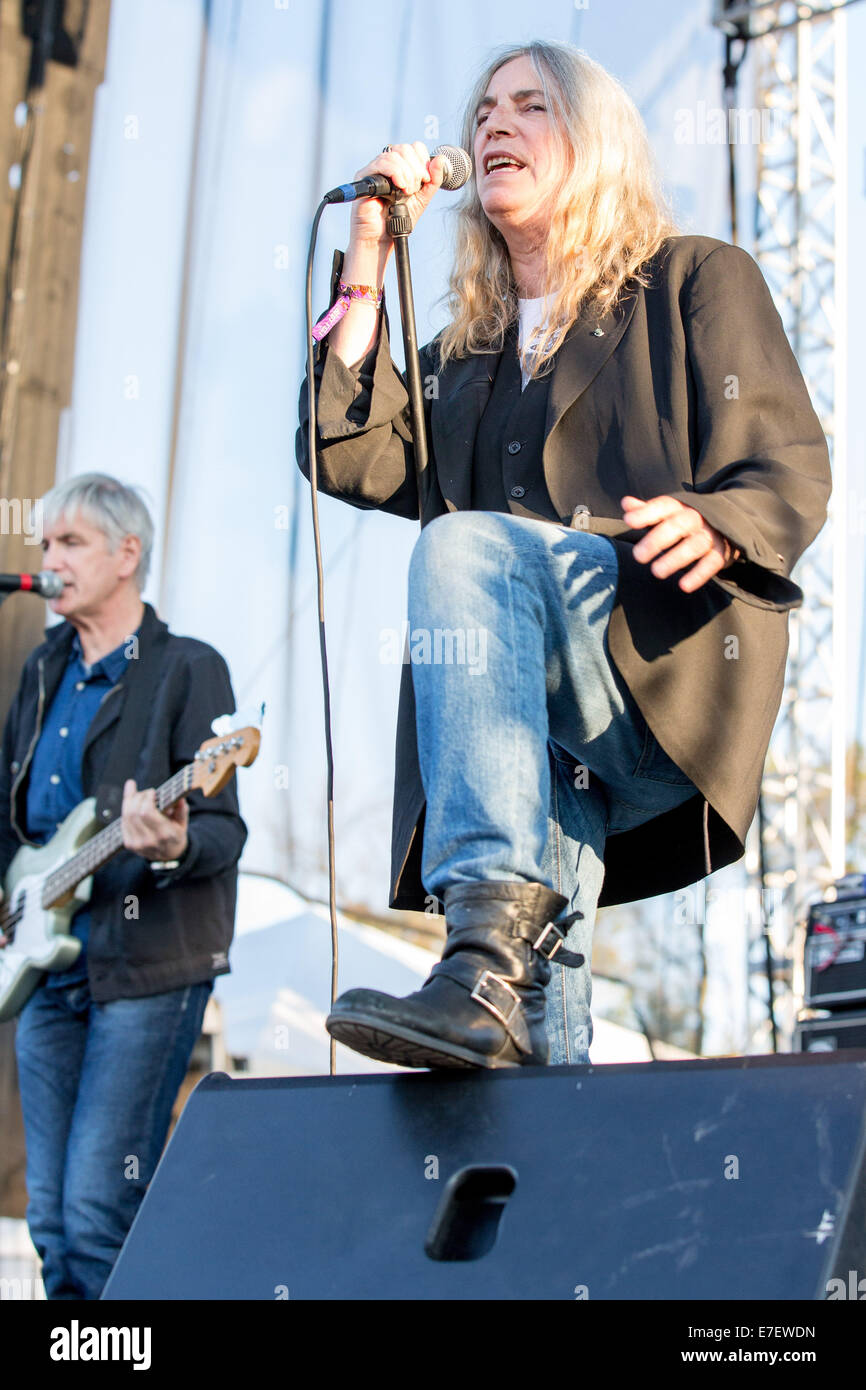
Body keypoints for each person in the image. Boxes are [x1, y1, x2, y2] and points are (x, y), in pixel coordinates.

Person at [296, 41, 831, 1071]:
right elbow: (345, 449)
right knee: (542, 1004)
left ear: (591, 145)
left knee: (461, 550)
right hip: (522, 731)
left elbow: (787, 464)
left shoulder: (690, 279)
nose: (491, 125)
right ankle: (510, 1010)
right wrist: (367, 250)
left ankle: (480, 957)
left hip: (656, 655)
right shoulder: (467, 353)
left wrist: (717, 520)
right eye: (482, 110)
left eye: (528, 106)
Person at [0, 473, 247, 1298]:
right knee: (52, 1221)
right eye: (46, 546)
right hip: (45, 971)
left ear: (126, 554)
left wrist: (173, 842)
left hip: (146, 968)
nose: (50, 560)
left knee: (103, 1205)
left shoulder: (186, 669)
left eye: (69, 543)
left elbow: (224, 831)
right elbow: (17, 824)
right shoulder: (41, 673)